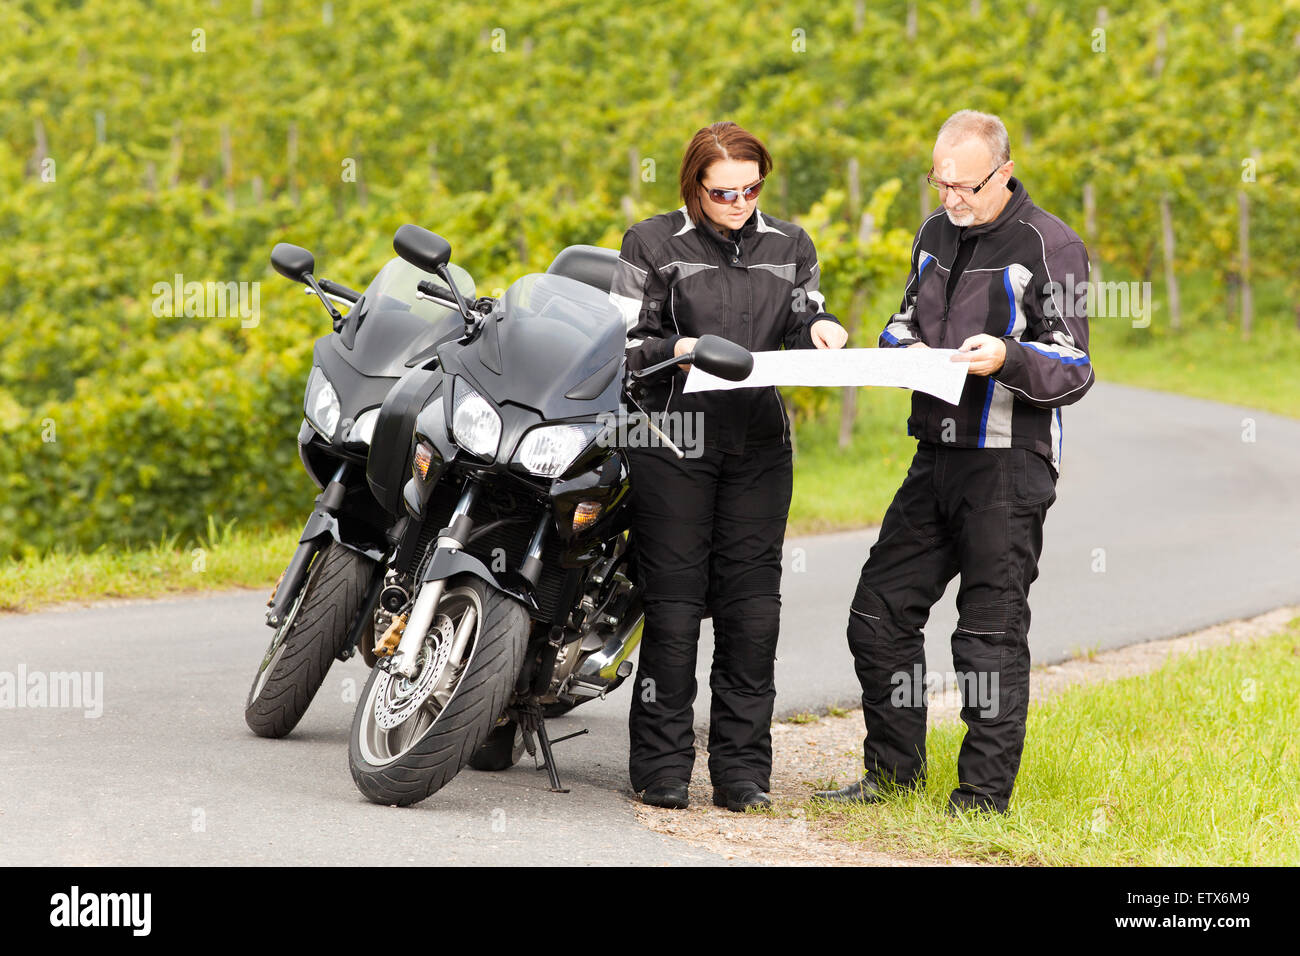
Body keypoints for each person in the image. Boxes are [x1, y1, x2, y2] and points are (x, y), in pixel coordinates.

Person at [814, 110, 1094, 814]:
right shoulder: (934, 233)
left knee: (988, 636)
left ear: (1003, 173)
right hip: (934, 454)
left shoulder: (1052, 244)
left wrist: (1008, 357)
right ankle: (893, 778)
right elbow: (903, 322)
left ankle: (980, 804)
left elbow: (1077, 367)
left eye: (964, 186)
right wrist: (895, 347)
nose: (950, 199)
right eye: (939, 183)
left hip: (1008, 466)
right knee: (877, 614)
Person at [609, 121, 847, 812]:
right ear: (694, 187)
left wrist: (821, 331)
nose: (737, 203)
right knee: (677, 609)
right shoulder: (649, 243)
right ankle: (662, 768)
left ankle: (743, 774)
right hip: (672, 437)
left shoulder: (791, 244)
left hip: (758, 444)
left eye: (750, 189)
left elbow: (805, 319)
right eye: (722, 193)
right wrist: (679, 346)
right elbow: (621, 346)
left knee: (752, 614)